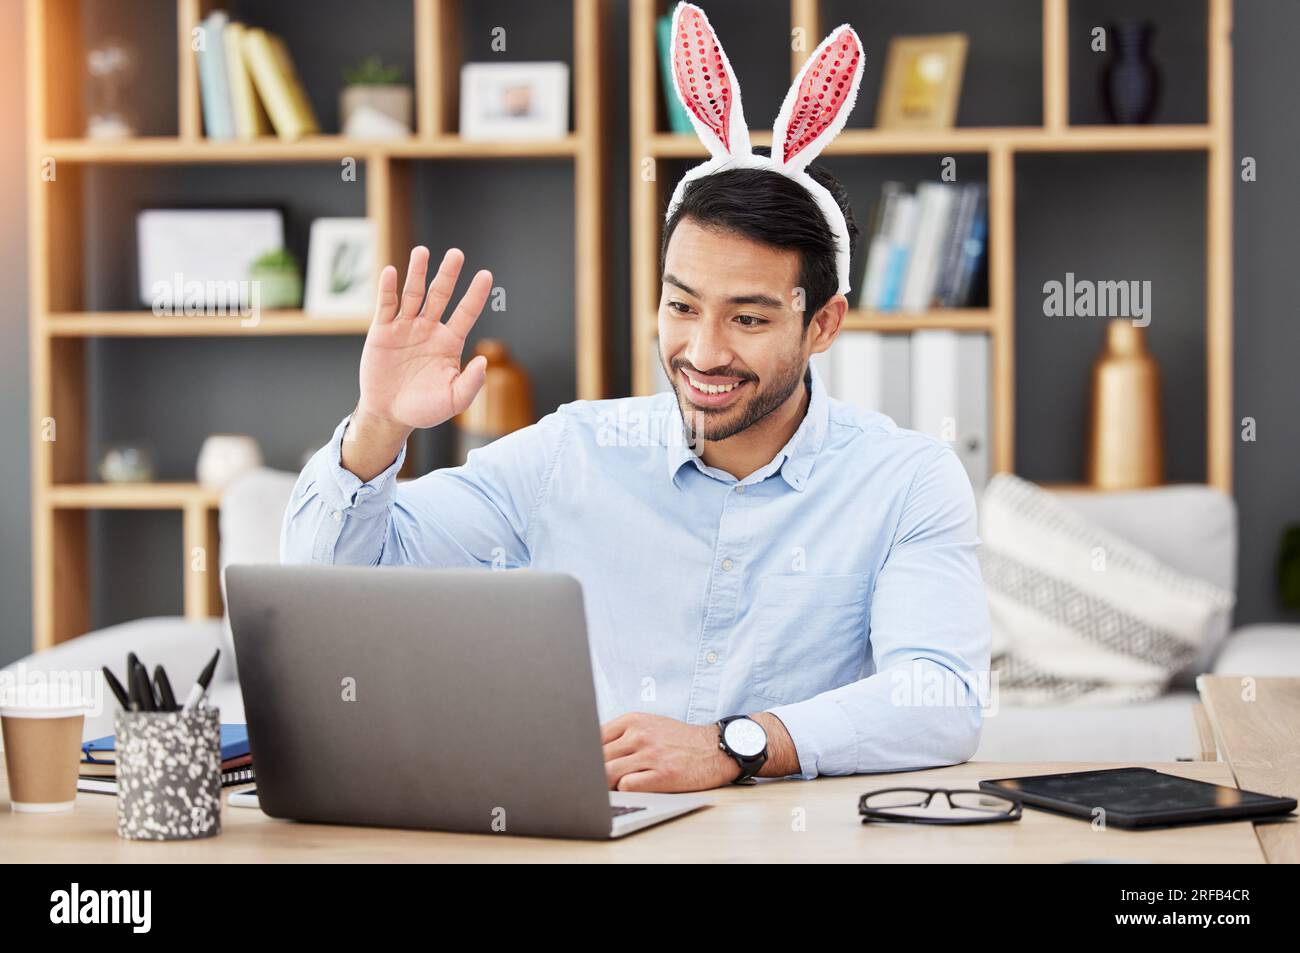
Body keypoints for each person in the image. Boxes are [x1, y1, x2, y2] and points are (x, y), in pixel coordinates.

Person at [282, 5, 990, 793]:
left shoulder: (907, 479)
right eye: (681, 306)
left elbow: (941, 698)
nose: (703, 351)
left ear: (822, 323)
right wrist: (377, 424)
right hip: (605, 837)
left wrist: (735, 744)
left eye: (748, 318)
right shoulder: (572, 452)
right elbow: (335, 590)